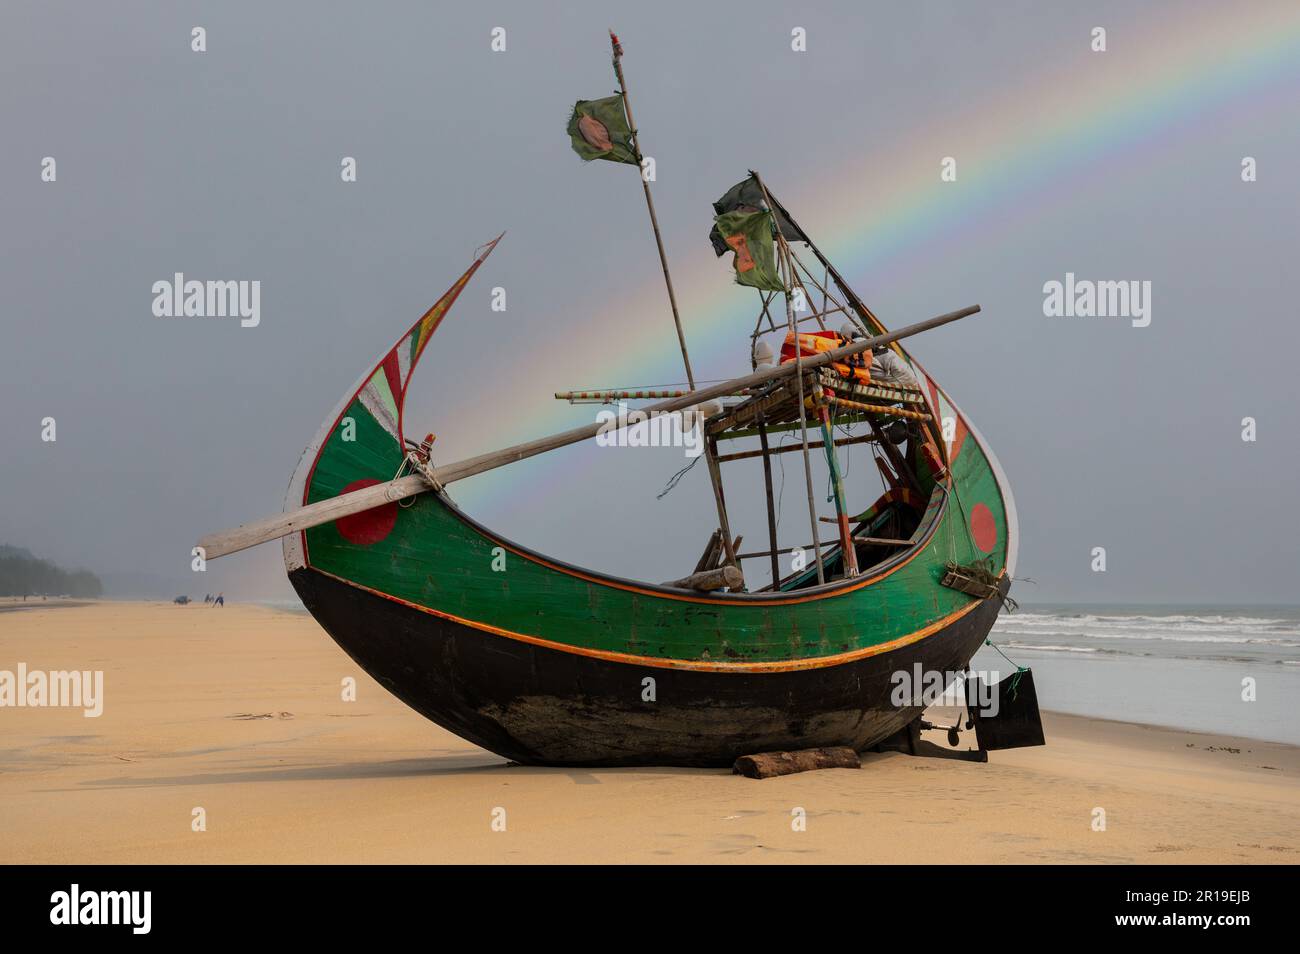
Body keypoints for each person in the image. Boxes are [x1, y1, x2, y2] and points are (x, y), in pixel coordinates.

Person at [840, 323, 917, 388]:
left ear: (846, 336)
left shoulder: (858, 343)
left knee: (861, 367)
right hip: (912, 379)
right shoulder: (875, 344)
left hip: (900, 380)